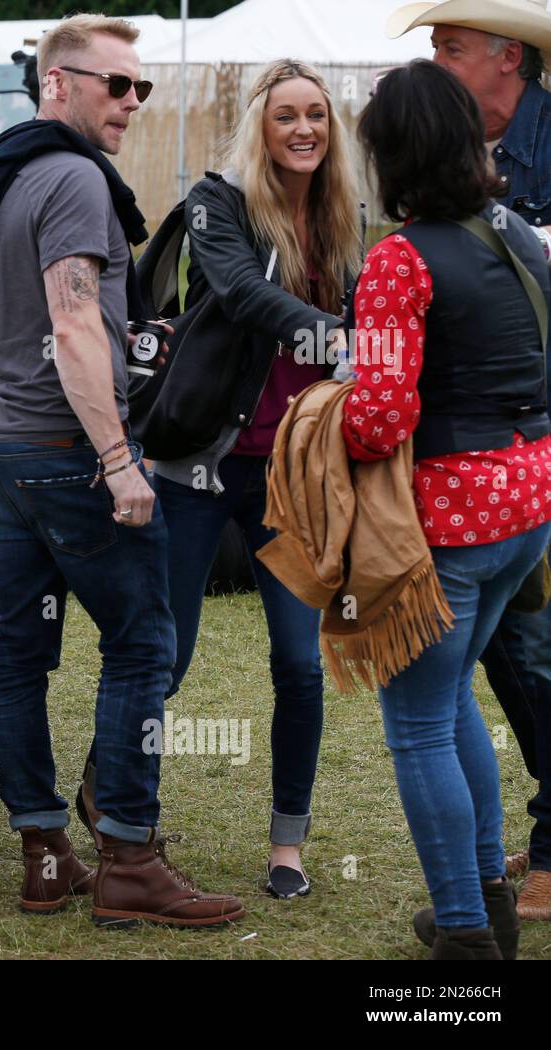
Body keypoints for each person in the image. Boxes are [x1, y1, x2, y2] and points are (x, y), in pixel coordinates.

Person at [0, 13, 243, 925]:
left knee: (20, 654)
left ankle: (45, 856)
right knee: (143, 648)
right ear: (59, 85)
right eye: (117, 85)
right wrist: (118, 459)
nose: (133, 103)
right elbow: (73, 324)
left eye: (141, 87)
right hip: (66, 453)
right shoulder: (74, 179)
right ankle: (130, 860)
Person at [351, 59, 551, 959]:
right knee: (450, 696)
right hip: (528, 507)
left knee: (420, 722)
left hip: (446, 525)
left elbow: (381, 416)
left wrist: (327, 416)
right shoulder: (520, 232)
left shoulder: (400, 260)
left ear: (392, 157)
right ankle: (486, 900)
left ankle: (466, 940)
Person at [151, 60, 363, 899]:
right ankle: (122, 814)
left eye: (317, 114)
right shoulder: (218, 201)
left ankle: (287, 847)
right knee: (163, 657)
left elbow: (378, 314)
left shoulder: (349, 216)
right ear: (260, 127)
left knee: (299, 667)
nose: (304, 129)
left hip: (296, 478)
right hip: (201, 461)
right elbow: (239, 292)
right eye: (286, 117)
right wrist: (334, 337)